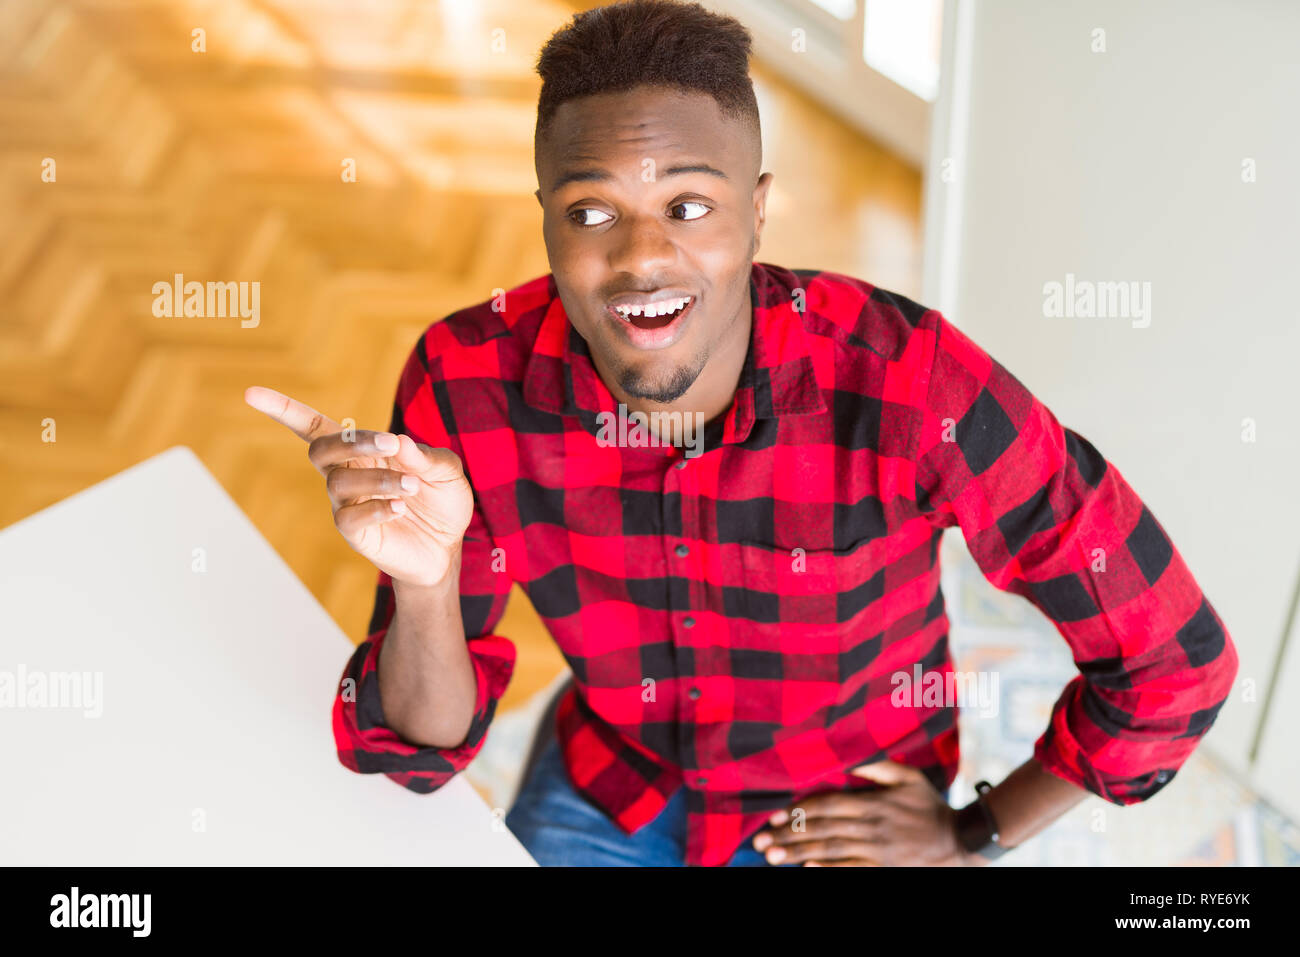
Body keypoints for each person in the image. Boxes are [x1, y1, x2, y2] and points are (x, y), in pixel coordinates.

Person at [244, 0, 1237, 867]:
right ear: (545, 220)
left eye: (688, 204)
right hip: (614, 777)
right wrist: (425, 584)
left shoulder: (906, 379)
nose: (642, 259)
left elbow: (1173, 660)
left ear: (757, 212)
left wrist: (973, 834)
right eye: (593, 211)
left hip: (845, 808)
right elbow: (417, 751)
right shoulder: (463, 381)